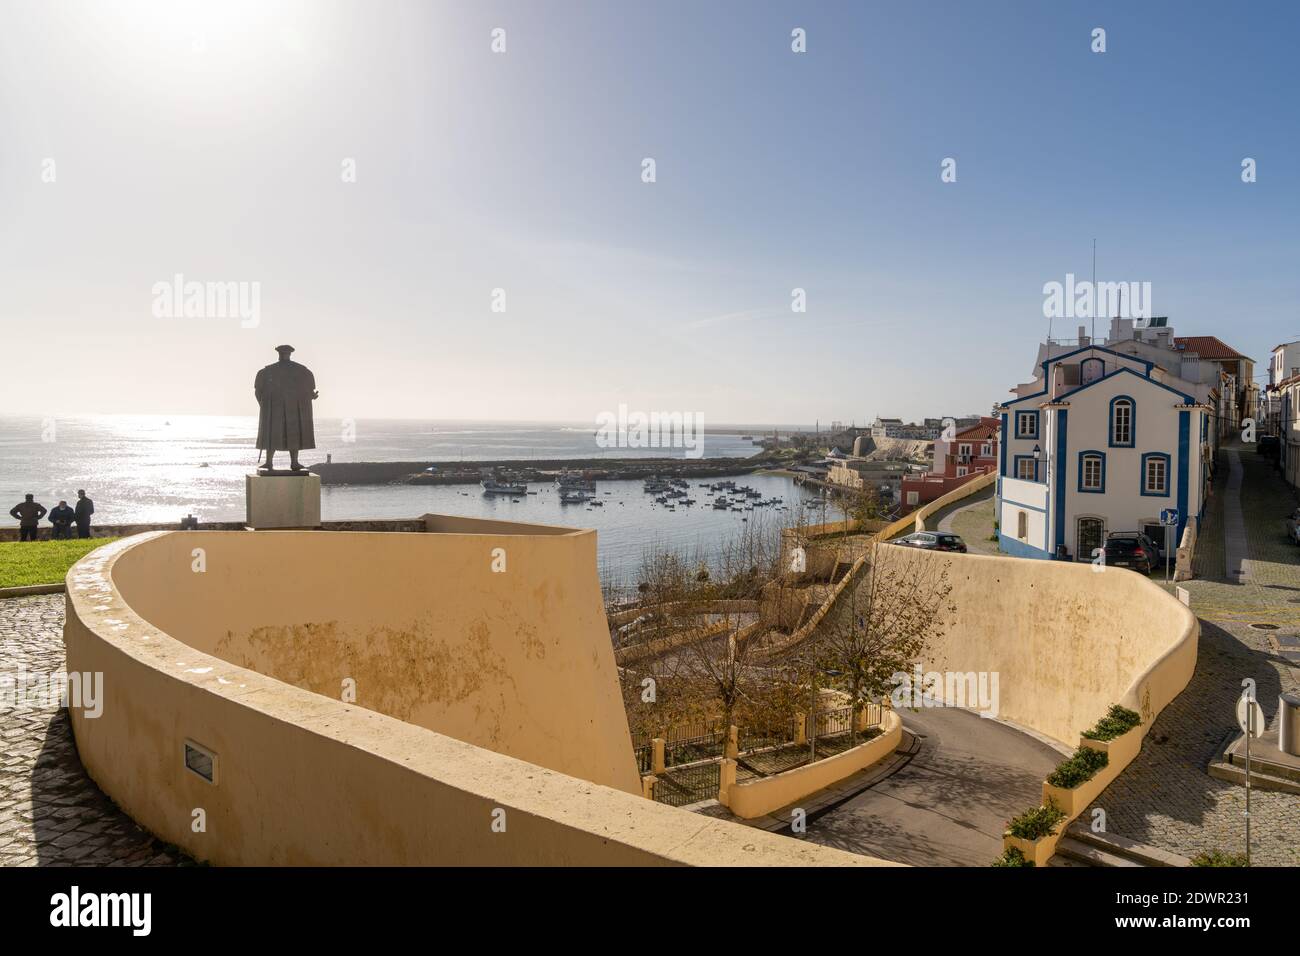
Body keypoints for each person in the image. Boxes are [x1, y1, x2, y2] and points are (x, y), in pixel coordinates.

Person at [254, 344, 318, 471]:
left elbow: (258, 392)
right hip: (288, 409)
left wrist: (264, 406)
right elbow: (310, 392)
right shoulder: (301, 370)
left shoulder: (267, 371)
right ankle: (286, 463)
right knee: (283, 434)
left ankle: (277, 462)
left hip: (278, 410)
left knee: (277, 434)